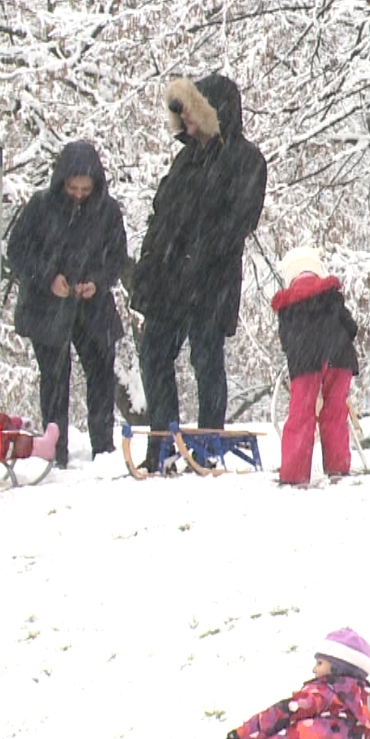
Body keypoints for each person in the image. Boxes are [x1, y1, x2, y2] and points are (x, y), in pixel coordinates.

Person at [132, 75, 267, 472]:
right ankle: (163, 442)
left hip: (211, 281)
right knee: (153, 353)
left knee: (206, 358)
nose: (186, 121)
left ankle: (208, 442)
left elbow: (237, 222)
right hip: (169, 279)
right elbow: (164, 217)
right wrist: (150, 264)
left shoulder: (246, 160)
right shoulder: (186, 159)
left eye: (192, 112)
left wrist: (197, 258)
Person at [7, 141, 129, 466]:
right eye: (73, 188)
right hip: (47, 309)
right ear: (61, 181)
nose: (78, 195)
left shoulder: (107, 211)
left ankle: (103, 448)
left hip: (93, 308)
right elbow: (17, 250)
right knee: (54, 380)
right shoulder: (40, 207)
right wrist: (49, 278)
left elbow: (118, 257)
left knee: (102, 375)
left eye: (85, 190)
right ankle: (54, 451)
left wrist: (97, 282)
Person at [272, 247, 360, 486]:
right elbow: (351, 327)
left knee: (302, 413)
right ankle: (338, 468)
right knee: (335, 412)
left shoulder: (287, 304)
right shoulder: (331, 294)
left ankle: (295, 475)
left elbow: (286, 342)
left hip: (305, 360)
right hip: (339, 356)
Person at [218, 628, 370, 739]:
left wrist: (238, 736)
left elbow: (281, 713)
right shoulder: (368, 704)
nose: (314, 669)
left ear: (337, 668)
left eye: (320, 663)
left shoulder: (324, 692)